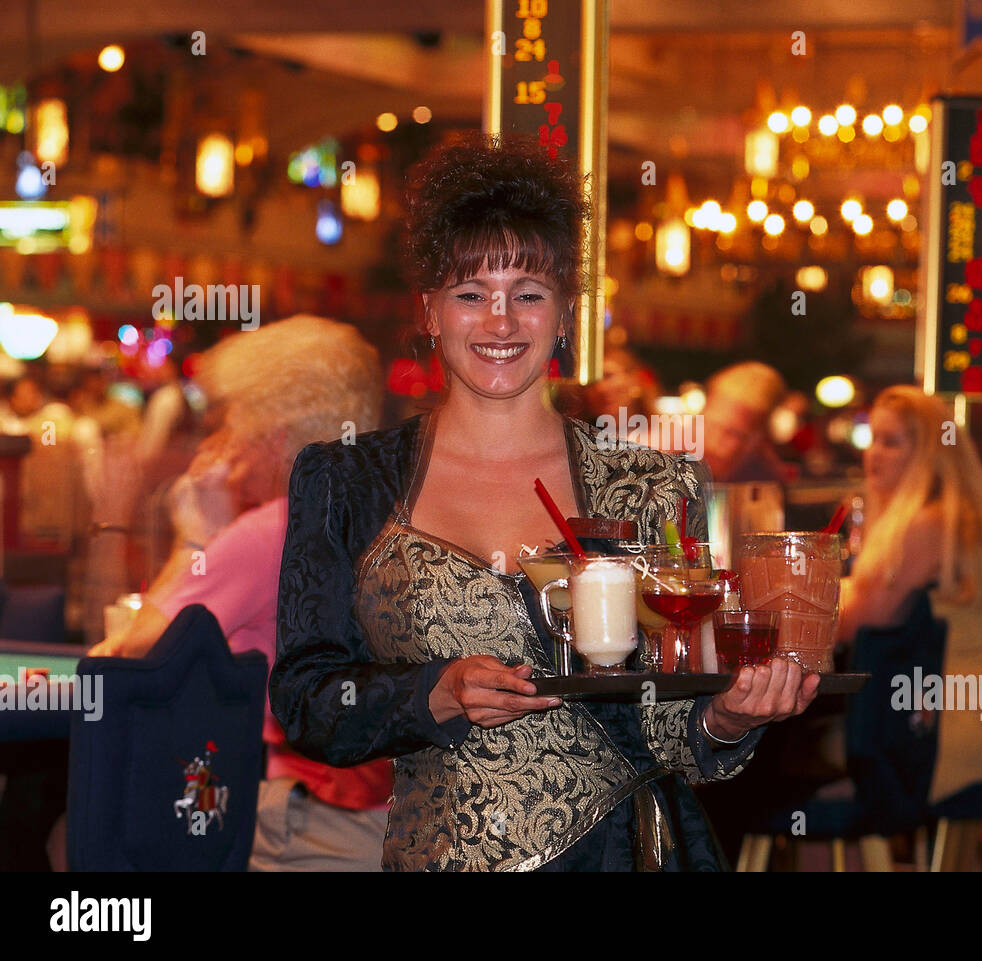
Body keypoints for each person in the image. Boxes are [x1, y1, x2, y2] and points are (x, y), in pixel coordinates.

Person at [271, 133, 820, 872]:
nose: (500, 323)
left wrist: (727, 718)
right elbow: (307, 702)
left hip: (625, 853)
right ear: (431, 310)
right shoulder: (346, 481)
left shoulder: (652, 486)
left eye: (528, 295)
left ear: (565, 315)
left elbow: (673, 715)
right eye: (472, 295)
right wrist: (433, 691)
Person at [83, 315, 394, 872]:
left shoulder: (271, 527)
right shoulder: (372, 507)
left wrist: (198, 537)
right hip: (384, 815)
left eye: (230, 426)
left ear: (273, 435)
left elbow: (134, 654)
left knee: (78, 838)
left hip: (301, 821)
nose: (216, 445)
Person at [837, 385, 982, 804]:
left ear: (929, 456)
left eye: (891, 442)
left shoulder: (930, 523)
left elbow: (861, 623)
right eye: (872, 440)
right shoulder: (957, 515)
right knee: (828, 746)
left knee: (812, 754)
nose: (873, 454)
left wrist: (786, 604)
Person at [701, 361, 789, 483]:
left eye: (733, 434)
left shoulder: (764, 485)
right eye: (708, 424)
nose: (713, 443)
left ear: (759, 440)